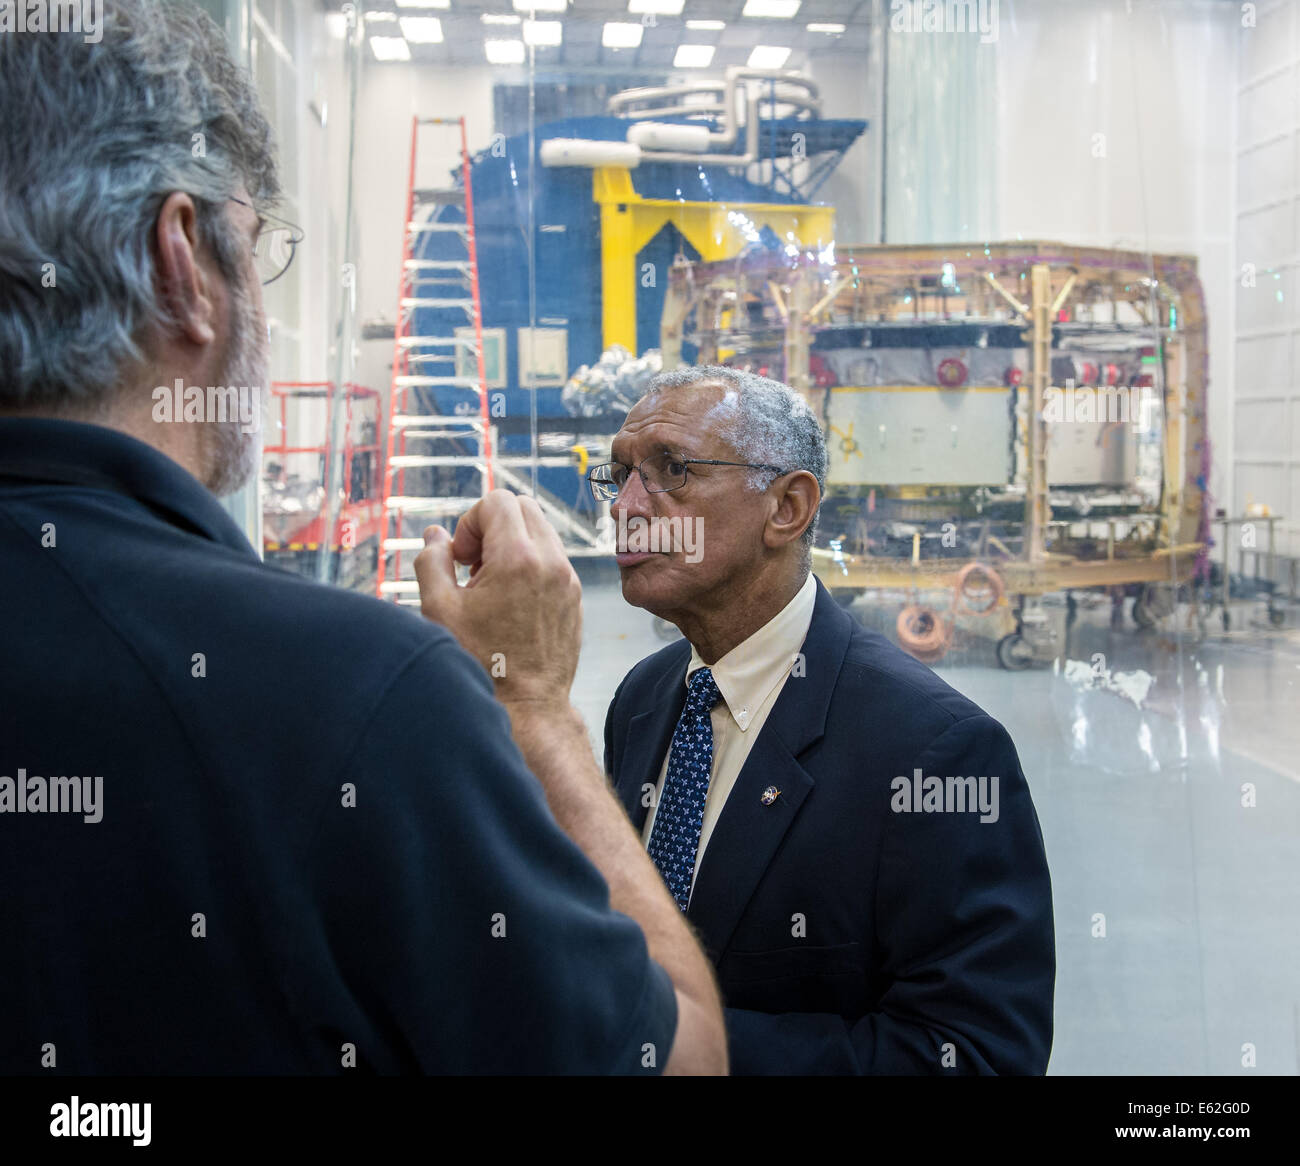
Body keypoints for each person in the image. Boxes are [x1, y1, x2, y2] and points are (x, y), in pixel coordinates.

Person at [0, 0, 725, 1075]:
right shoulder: (358, 697)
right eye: (257, 250)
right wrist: (530, 704)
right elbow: (681, 1057)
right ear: (182, 267)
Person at [598, 365, 1055, 1074]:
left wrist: (670, 1048)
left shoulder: (936, 752)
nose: (627, 505)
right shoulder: (644, 699)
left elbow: (975, 1054)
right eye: (620, 474)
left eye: (672, 470)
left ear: (787, 507)